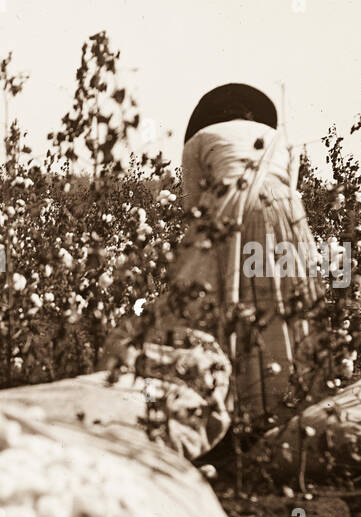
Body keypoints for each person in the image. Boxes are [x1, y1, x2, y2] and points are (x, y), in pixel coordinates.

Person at [110, 84, 324, 422]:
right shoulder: (278, 139)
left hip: (230, 204)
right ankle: (288, 397)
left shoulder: (200, 140)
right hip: (287, 212)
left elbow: (194, 207)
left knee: (223, 293)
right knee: (283, 296)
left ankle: (236, 398)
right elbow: (291, 189)